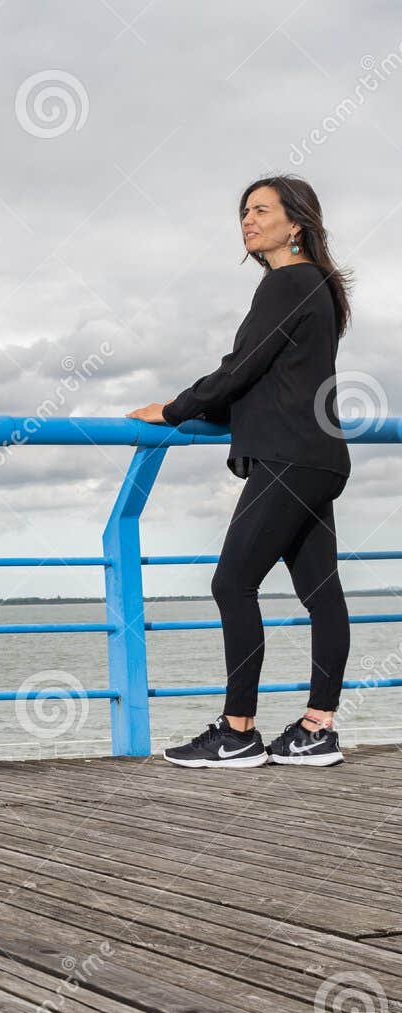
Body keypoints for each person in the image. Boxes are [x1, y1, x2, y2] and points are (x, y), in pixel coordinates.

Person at [129, 175, 352, 769]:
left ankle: (237, 731)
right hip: (319, 458)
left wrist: (175, 409)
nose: (248, 221)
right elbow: (270, 375)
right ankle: (317, 728)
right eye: (243, 212)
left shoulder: (287, 282)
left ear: (295, 223)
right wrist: (220, 408)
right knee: (320, 591)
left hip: (288, 459)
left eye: (261, 210)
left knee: (232, 583)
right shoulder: (317, 286)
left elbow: (241, 365)